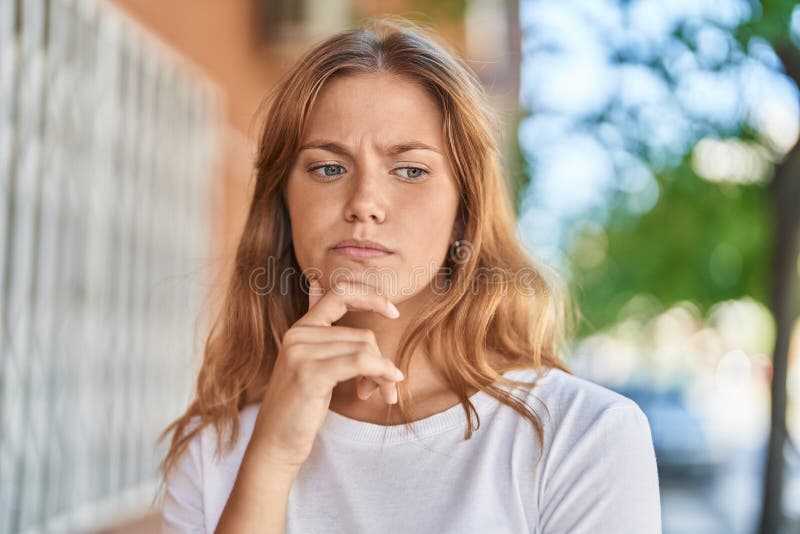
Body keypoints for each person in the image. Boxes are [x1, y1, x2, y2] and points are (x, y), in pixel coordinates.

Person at [156, 15, 662, 534]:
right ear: (284, 205)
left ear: (464, 212)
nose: (364, 203)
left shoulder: (582, 436)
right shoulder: (216, 452)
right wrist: (271, 458)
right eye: (329, 168)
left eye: (410, 170)